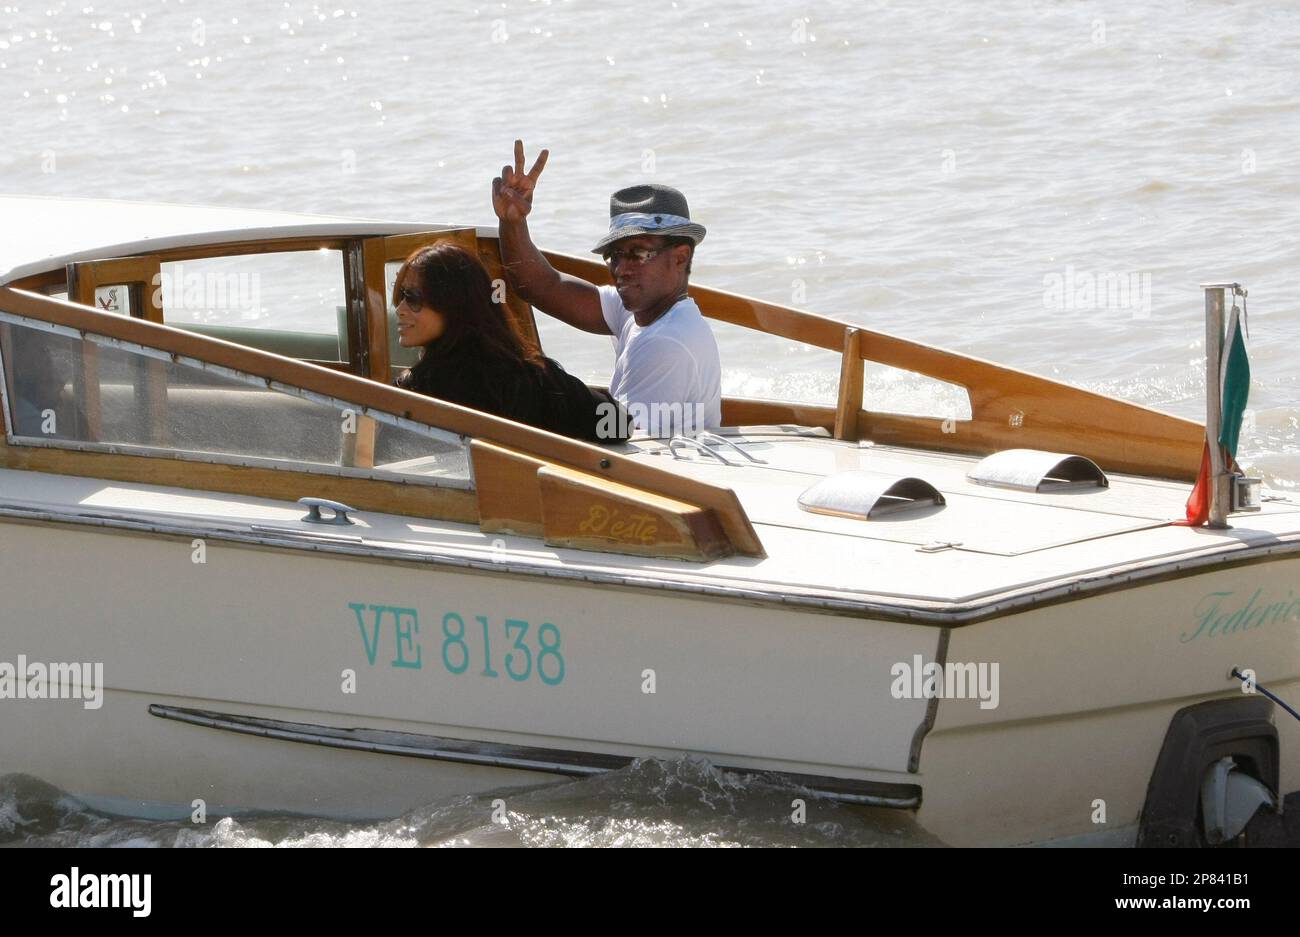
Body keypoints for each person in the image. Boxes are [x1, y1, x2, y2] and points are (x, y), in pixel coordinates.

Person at [492, 140, 721, 439]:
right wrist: (513, 222)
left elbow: (617, 441)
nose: (621, 269)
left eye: (638, 254)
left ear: (680, 257)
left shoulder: (666, 343)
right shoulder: (640, 310)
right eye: (615, 255)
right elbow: (541, 286)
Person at [391, 242, 628, 443]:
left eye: (412, 297)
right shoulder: (533, 379)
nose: (400, 309)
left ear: (453, 305)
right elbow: (619, 423)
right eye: (400, 296)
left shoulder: (416, 391)